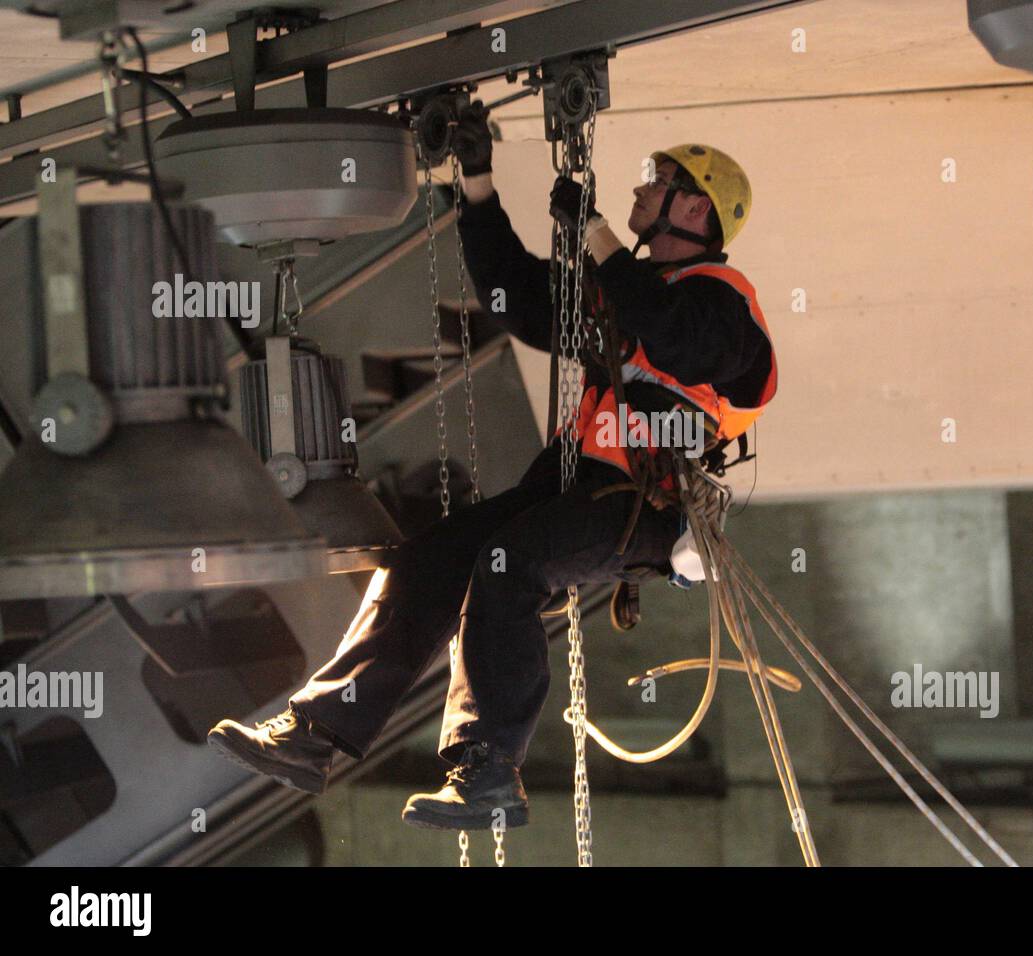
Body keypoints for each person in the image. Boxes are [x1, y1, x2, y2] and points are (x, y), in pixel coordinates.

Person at [207, 102, 776, 831]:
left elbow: (674, 340)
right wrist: (476, 183)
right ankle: (316, 732)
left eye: (658, 181)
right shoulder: (624, 293)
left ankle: (487, 769)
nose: (641, 190)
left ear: (693, 206)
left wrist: (595, 234)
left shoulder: (726, 308)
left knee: (509, 563)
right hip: (578, 487)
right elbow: (516, 298)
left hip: (644, 511)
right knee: (427, 563)